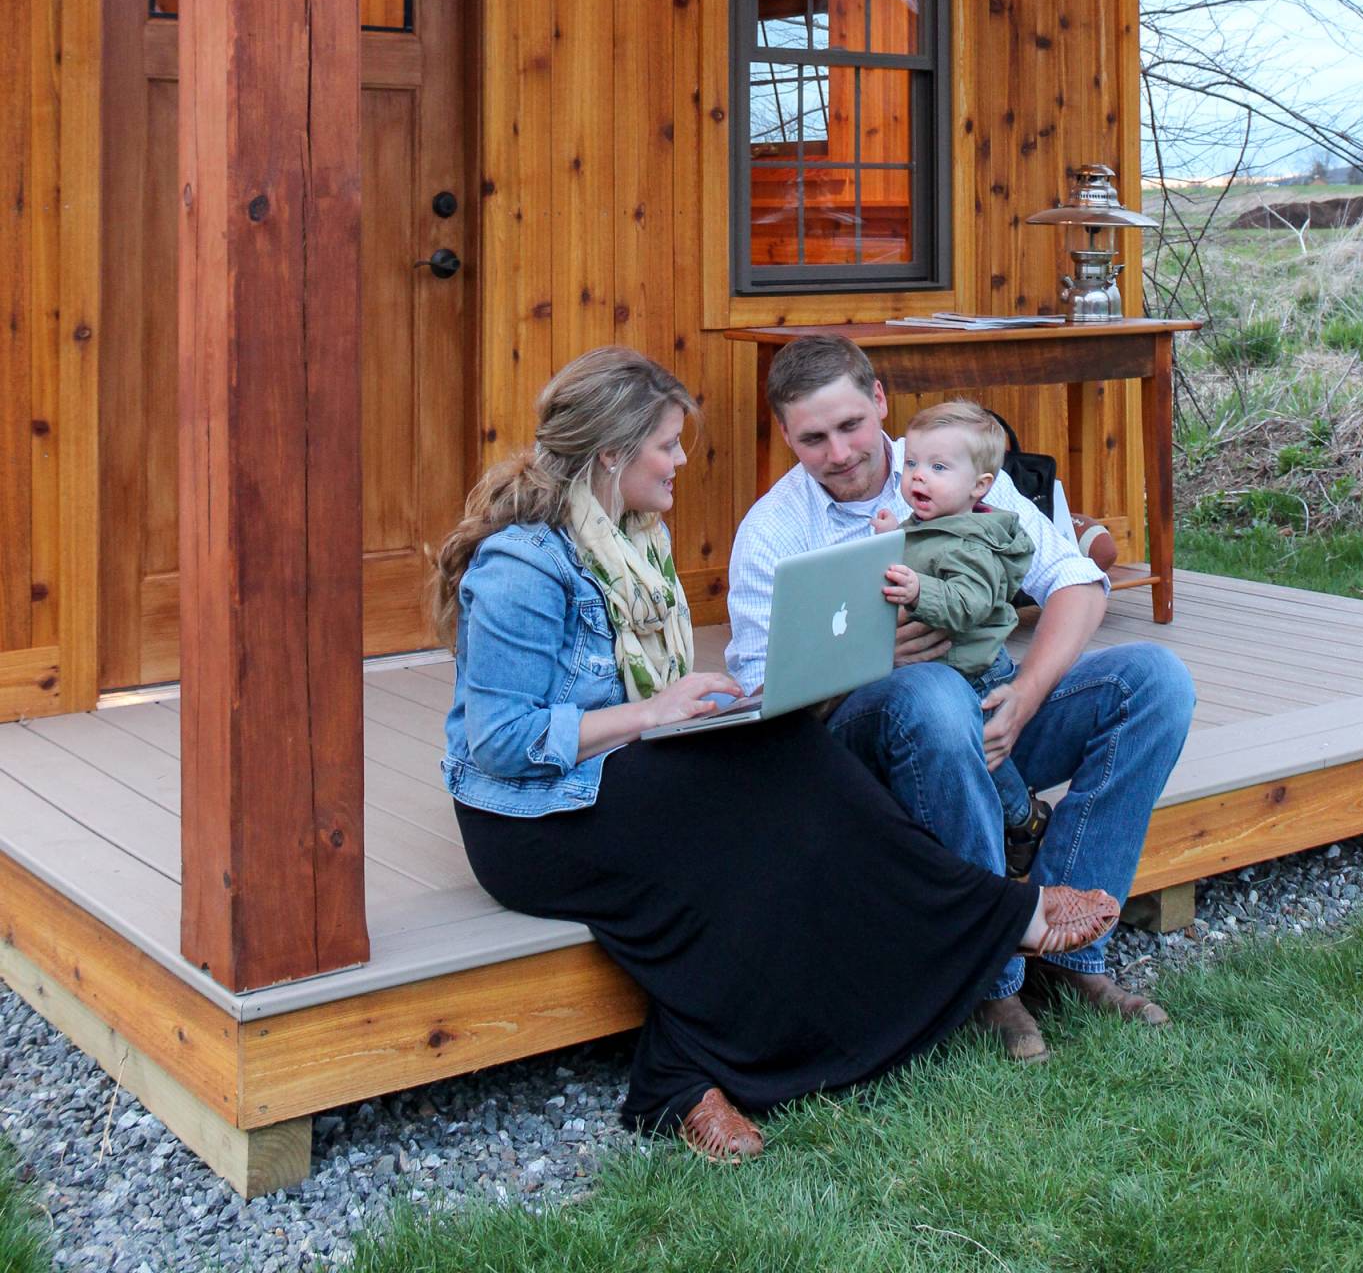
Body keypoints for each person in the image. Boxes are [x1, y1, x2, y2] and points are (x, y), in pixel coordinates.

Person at [436, 345, 1122, 1161]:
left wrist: (693, 709)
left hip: (609, 775)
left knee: (784, 765)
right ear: (613, 454)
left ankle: (677, 1082)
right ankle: (1006, 916)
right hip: (532, 820)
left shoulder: (629, 543)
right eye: (668, 443)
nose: (683, 459)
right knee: (763, 813)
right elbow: (504, 744)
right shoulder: (521, 563)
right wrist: (653, 711)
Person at [727, 333, 1197, 1064]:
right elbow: (763, 709)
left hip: (990, 718)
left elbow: (1074, 582)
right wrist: (864, 664)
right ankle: (990, 977)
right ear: (785, 436)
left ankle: (1070, 958)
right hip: (861, 758)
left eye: (851, 426)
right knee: (929, 693)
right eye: (813, 439)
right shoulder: (770, 534)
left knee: (1155, 683)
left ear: (879, 402)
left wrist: (1028, 695)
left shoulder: (954, 470)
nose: (841, 452)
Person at [870, 398, 1054, 868]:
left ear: (980, 485)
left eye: (937, 467)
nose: (917, 476)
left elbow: (967, 605)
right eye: (911, 463)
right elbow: (917, 556)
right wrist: (889, 537)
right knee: (970, 747)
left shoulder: (974, 545)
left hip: (972, 670)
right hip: (940, 670)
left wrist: (918, 591)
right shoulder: (931, 525)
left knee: (986, 755)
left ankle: (1022, 819)